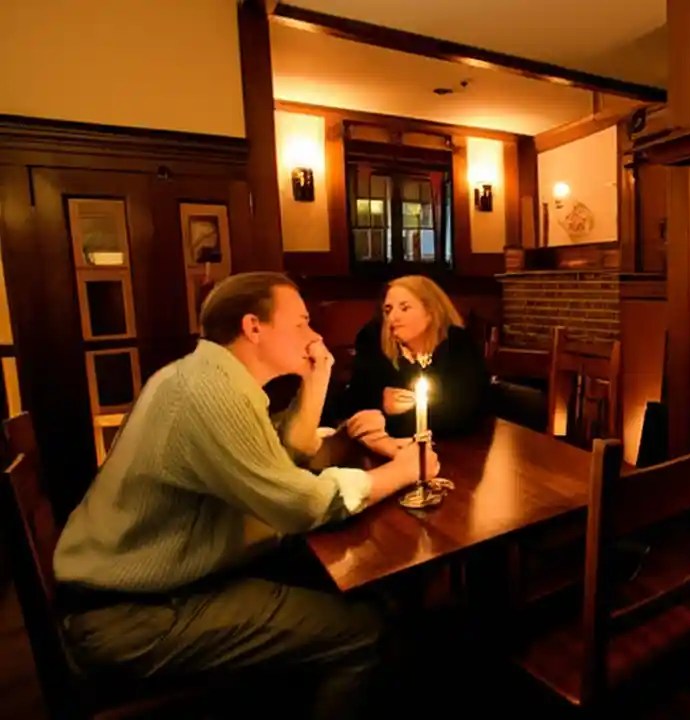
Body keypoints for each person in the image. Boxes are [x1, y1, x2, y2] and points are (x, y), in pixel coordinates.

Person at [51, 271, 434, 720]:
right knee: (364, 629)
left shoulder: (208, 376)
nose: (314, 336)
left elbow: (281, 453)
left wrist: (317, 379)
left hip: (149, 588)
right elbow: (302, 503)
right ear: (254, 327)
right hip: (133, 615)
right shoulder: (207, 391)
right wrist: (406, 470)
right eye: (302, 323)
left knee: (335, 582)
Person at [339, 275, 490, 441]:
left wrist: (394, 420)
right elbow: (353, 403)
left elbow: (466, 412)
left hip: (458, 448)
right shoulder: (373, 341)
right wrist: (380, 401)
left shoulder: (458, 344)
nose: (393, 318)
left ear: (430, 312)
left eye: (404, 308)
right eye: (388, 310)